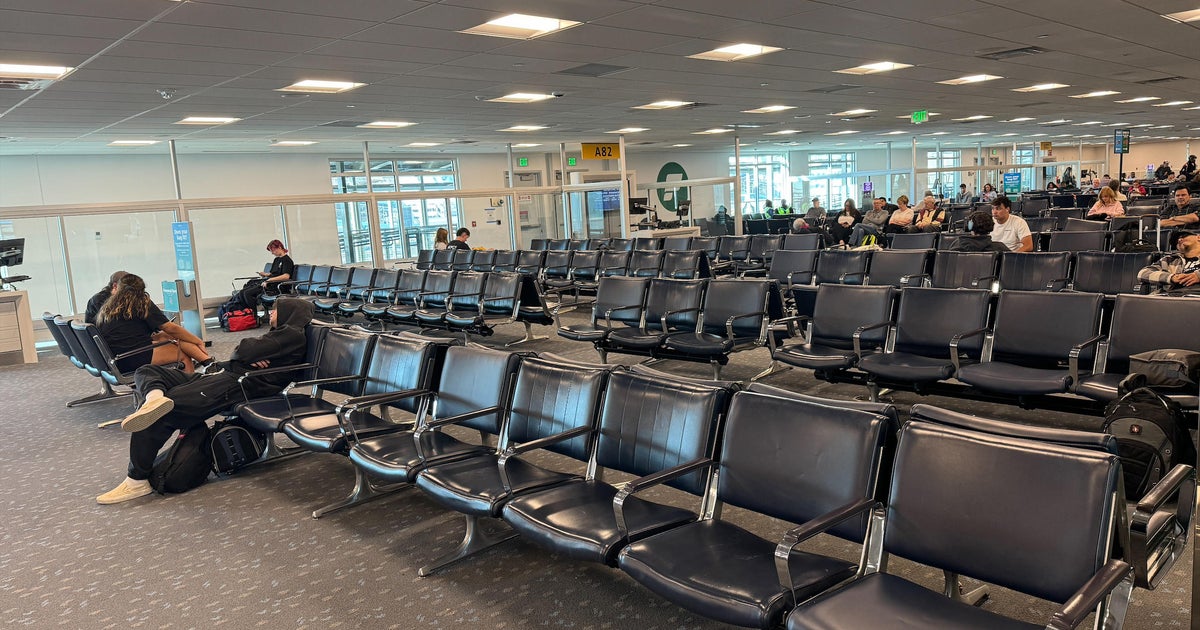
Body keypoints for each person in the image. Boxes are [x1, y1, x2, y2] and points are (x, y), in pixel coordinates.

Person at [96, 299, 315, 505]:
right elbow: (243, 351)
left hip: (237, 385)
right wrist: (247, 354)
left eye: (277, 309)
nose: (272, 312)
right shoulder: (280, 334)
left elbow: (243, 349)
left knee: (166, 411)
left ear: (289, 313)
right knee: (147, 371)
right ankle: (154, 397)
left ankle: (136, 481)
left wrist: (247, 354)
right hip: (226, 375)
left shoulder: (291, 335)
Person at [96, 274, 215, 375]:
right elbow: (170, 327)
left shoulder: (109, 305)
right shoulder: (140, 302)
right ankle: (190, 390)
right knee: (182, 354)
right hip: (129, 357)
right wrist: (198, 341)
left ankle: (209, 363)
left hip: (116, 357)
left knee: (166, 336)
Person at [1137, 230, 1200, 295]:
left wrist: (1198, 276)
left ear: (1198, 237)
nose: (1179, 240)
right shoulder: (1169, 260)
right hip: (1174, 297)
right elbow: (1142, 273)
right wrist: (1171, 277)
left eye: (1183, 236)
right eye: (1176, 243)